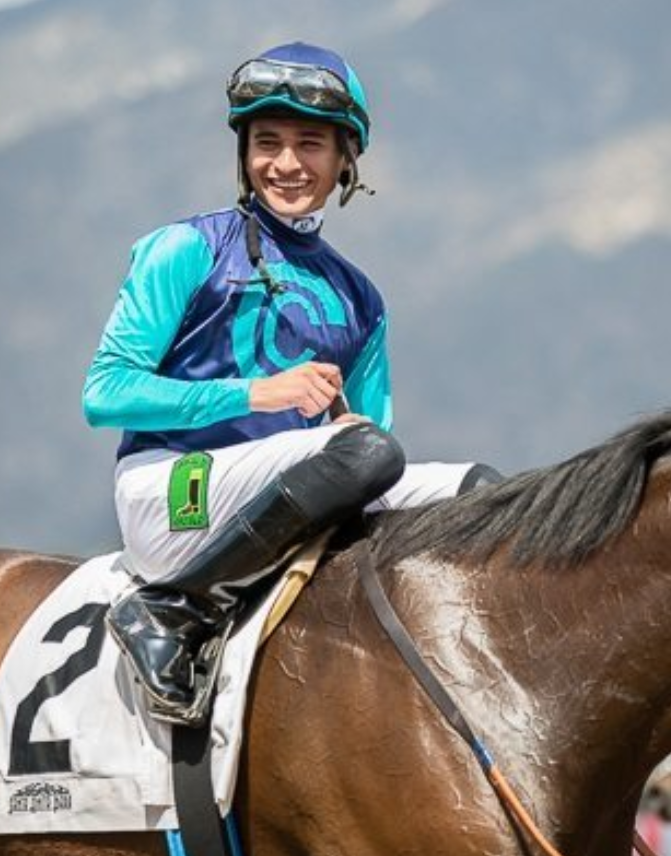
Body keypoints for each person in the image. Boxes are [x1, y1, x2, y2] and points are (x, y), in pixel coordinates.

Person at [83, 42, 497, 727]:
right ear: (243, 152)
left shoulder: (360, 298)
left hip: (285, 490)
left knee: (485, 493)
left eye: (310, 144)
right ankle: (174, 606)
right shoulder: (185, 248)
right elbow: (105, 393)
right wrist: (256, 395)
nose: (285, 163)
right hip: (173, 492)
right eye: (266, 141)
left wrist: (346, 430)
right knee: (368, 456)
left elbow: (368, 442)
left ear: (345, 161)